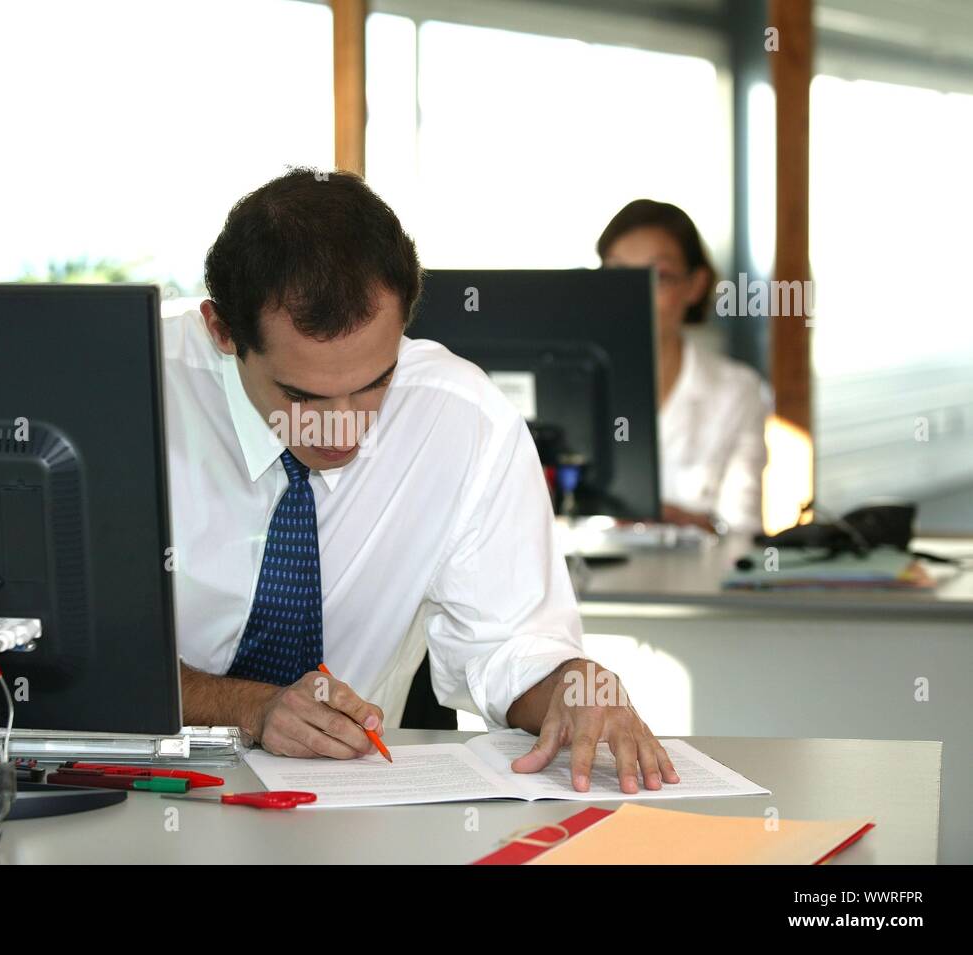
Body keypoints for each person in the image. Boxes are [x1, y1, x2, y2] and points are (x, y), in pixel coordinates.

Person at [165, 169, 678, 794]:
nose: (342, 429)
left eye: (374, 383)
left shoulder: (462, 417)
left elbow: (506, 646)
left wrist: (572, 686)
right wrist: (248, 706)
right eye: (302, 396)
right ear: (221, 330)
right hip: (123, 780)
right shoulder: (134, 388)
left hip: (341, 801)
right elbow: (71, 657)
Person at [599, 199, 771, 535]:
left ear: (695, 285)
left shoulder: (737, 392)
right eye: (618, 276)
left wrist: (694, 524)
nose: (635, 295)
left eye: (659, 276)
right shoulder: (575, 385)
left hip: (696, 585)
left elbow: (744, 531)